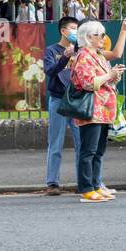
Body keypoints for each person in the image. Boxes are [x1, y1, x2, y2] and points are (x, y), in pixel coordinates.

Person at [71, 20, 126, 203]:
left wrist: (114, 76)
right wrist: (109, 76)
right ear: (87, 37)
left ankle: (95, 185)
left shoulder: (99, 55)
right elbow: (88, 83)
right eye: (99, 35)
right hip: (91, 109)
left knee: (98, 150)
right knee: (89, 151)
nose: (103, 38)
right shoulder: (83, 56)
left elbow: (104, 82)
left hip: (103, 109)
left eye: (103, 34)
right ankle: (86, 189)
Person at [42, 16, 83, 194]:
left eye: (78, 28)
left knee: (82, 143)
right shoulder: (51, 51)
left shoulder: (81, 51)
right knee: (55, 142)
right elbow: (50, 71)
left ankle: (84, 181)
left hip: (76, 100)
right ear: (63, 31)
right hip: (58, 100)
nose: (76, 32)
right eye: (73, 28)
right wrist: (64, 58)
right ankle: (52, 183)